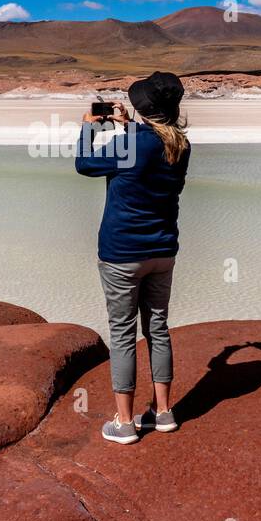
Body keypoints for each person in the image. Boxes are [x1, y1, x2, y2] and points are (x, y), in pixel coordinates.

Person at [76, 71, 191, 445]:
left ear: (142, 110)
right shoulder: (181, 145)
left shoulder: (132, 145)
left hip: (123, 253)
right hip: (163, 251)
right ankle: (163, 413)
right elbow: (147, 152)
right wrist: (130, 129)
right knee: (158, 329)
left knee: (123, 334)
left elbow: (84, 164)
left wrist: (89, 128)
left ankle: (125, 423)